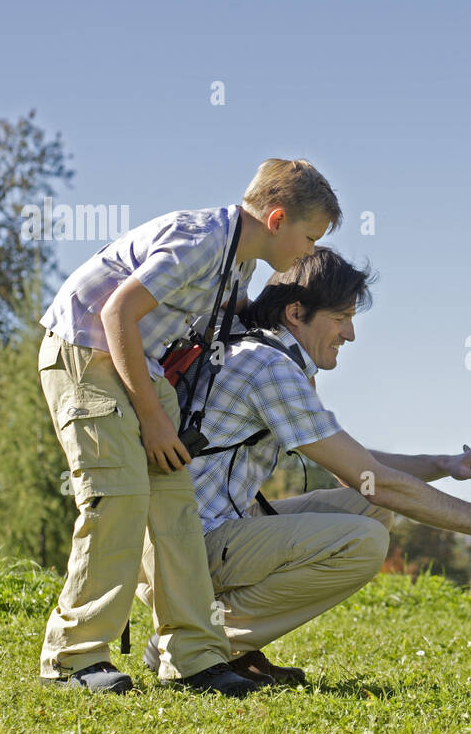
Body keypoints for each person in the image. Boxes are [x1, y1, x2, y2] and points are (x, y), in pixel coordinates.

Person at [139, 248, 471, 684]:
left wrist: (445, 463)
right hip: (184, 547)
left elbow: (354, 464)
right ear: (296, 312)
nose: (349, 334)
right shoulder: (270, 368)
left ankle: (215, 640)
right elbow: (377, 482)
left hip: (186, 534)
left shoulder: (258, 350)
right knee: (362, 540)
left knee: (367, 511)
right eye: (340, 317)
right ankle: (194, 643)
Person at [36, 158, 339, 695]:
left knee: (176, 510)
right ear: (276, 220)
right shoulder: (201, 241)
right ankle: (73, 657)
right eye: (309, 236)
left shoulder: (237, 262)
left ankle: (194, 658)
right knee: (118, 498)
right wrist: (154, 421)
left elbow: (240, 320)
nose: (308, 253)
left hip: (142, 368)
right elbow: (117, 313)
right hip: (85, 352)